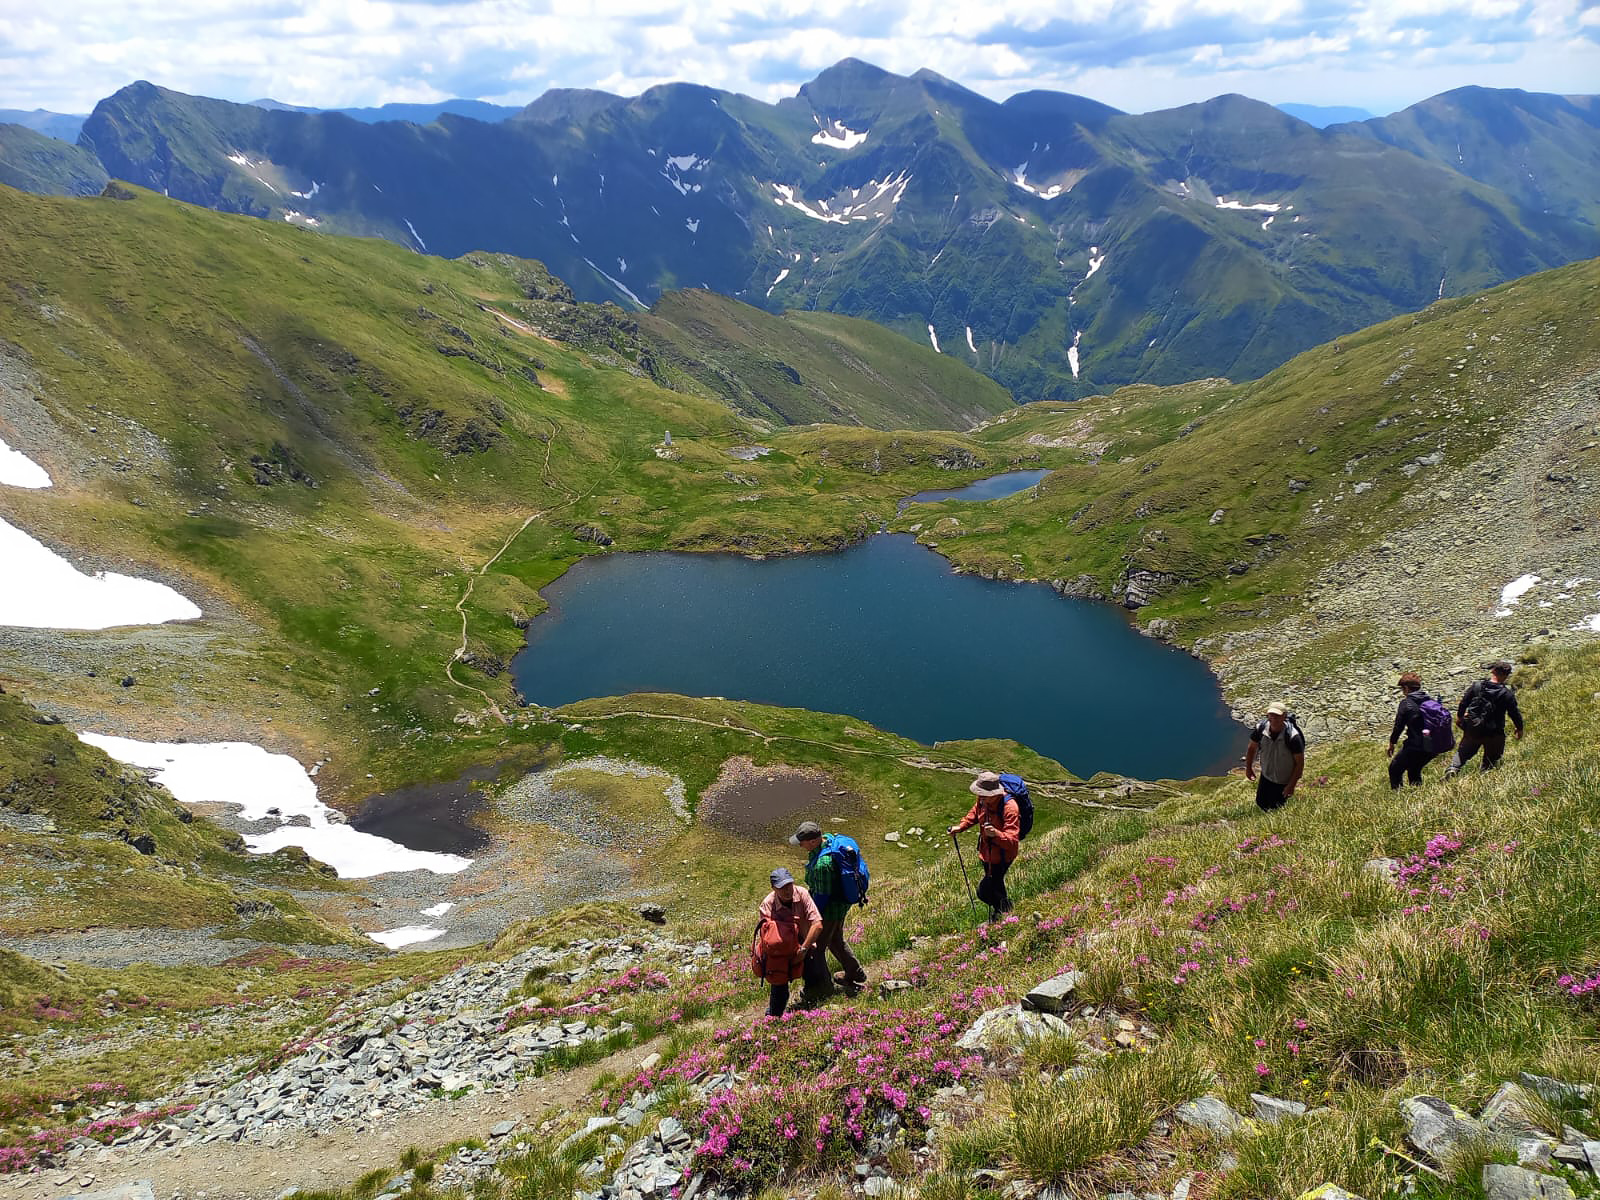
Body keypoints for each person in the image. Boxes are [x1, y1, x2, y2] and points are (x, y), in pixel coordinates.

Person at [789, 820, 867, 998]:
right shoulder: (828, 840)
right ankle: (854, 972)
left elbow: (822, 895)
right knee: (836, 940)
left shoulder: (823, 864)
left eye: (802, 842)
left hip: (829, 909)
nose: (800, 845)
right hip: (840, 905)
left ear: (813, 841)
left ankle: (822, 988)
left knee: (816, 948)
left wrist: (812, 918)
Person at [948, 771, 1021, 921]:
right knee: (996, 886)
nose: (979, 797)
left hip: (1002, 856)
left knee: (984, 891)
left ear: (993, 794)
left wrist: (995, 834)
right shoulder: (983, 800)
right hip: (986, 853)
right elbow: (975, 813)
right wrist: (960, 827)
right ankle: (1001, 913)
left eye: (983, 795)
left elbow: (1013, 841)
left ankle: (1006, 911)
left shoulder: (1010, 808)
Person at [755, 867, 820, 1017]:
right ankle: (774, 1016)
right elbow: (767, 938)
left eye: (789, 885)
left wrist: (803, 950)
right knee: (779, 988)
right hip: (779, 949)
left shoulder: (802, 893)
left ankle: (812, 1006)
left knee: (816, 976)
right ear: (773, 888)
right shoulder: (767, 905)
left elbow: (817, 924)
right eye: (782, 887)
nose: (787, 891)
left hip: (804, 943)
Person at [1446, 660, 1525, 775]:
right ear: (1506, 675)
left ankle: (1453, 768)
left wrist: (1460, 717)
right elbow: (1514, 713)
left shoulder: (1477, 686)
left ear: (1492, 671)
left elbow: (1463, 703)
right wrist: (1519, 728)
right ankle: (1484, 775)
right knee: (1492, 757)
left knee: (1464, 751)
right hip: (1494, 731)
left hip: (1473, 727)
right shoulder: (1507, 694)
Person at [1245, 702, 1305, 811]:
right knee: (1261, 802)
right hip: (1266, 775)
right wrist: (1249, 768)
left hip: (1283, 780)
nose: (1273, 718)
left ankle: (1276, 824)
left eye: (1277, 715)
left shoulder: (1292, 736)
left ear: (1284, 716)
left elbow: (1300, 763)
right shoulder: (1261, 729)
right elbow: (1251, 748)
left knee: (1277, 807)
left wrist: (1291, 786)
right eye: (1271, 715)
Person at [1386, 672, 1440, 789]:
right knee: (1414, 769)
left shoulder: (1406, 704)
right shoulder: (1431, 701)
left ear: (1406, 688)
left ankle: (1398, 797)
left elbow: (1398, 727)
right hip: (1433, 747)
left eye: (1402, 688)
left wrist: (1392, 744)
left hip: (1416, 746)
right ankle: (1417, 795)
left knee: (1394, 769)